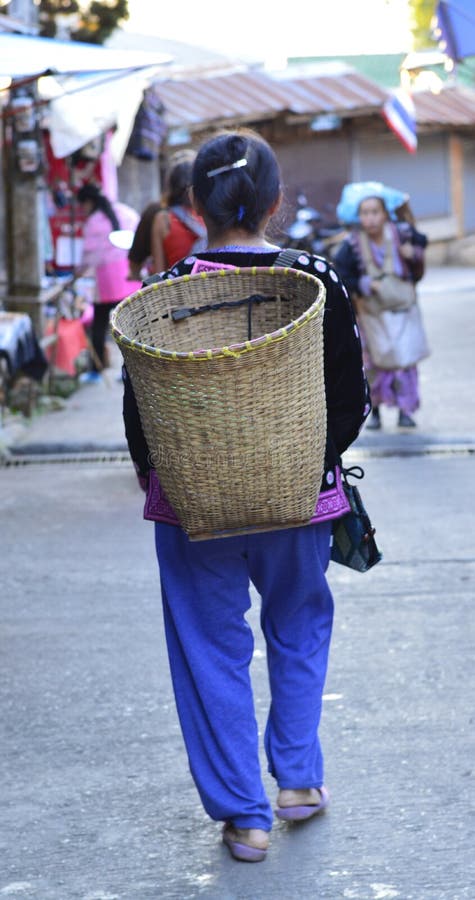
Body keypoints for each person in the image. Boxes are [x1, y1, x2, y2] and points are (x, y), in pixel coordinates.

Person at [122, 129, 370, 862]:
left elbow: (140, 405)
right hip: (296, 493)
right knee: (297, 626)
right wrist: (309, 458)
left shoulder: (164, 292)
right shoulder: (315, 278)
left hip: (193, 503)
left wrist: (155, 474)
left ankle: (244, 816)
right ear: (274, 202)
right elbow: (350, 395)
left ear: (194, 203)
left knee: (208, 647)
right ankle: (295, 781)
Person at [334, 187, 428, 429]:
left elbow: (422, 245)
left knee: (404, 363)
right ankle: (374, 411)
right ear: (358, 217)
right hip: (371, 316)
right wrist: (363, 283)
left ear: (386, 214)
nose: (371, 218)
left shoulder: (402, 234)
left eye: (375, 212)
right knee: (372, 365)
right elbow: (343, 275)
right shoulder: (352, 244)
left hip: (402, 311)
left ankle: (405, 411)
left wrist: (412, 254)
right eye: (365, 213)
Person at [76, 183, 141, 382]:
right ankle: (133, 370)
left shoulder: (94, 222)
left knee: (99, 324)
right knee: (132, 326)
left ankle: (96, 371)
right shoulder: (125, 211)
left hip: (107, 280)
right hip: (129, 275)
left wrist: (76, 273)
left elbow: (88, 257)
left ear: (88, 202)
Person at [127, 151, 206, 280]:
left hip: (179, 293)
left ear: (170, 185)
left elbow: (160, 274)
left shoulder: (163, 219)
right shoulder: (210, 213)